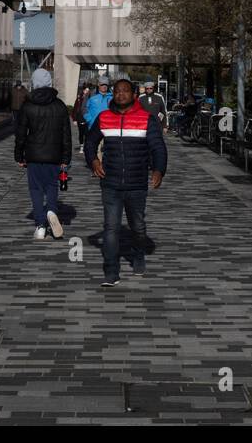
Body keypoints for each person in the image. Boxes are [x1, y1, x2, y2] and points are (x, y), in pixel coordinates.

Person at [84, 77, 167, 287]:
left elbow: (158, 147)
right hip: (110, 183)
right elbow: (90, 143)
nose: (121, 94)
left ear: (133, 94)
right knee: (111, 227)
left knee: (137, 226)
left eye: (125, 91)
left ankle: (138, 254)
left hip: (137, 183)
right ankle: (111, 272)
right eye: (117, 91)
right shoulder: (104, 117)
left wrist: (159, 170)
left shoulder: (146, 119)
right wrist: (93, 160)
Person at [14, 67, 71, 240]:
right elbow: (66, 134)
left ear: (34, 83)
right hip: (54, 154)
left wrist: (19, 155)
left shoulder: (28, 105)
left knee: (36, 189)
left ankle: (40, 225)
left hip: (33, 154)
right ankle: (52, 210)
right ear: (49, 83)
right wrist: (66, 157)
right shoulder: (59, 105)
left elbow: (21, 133)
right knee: (52, 186)